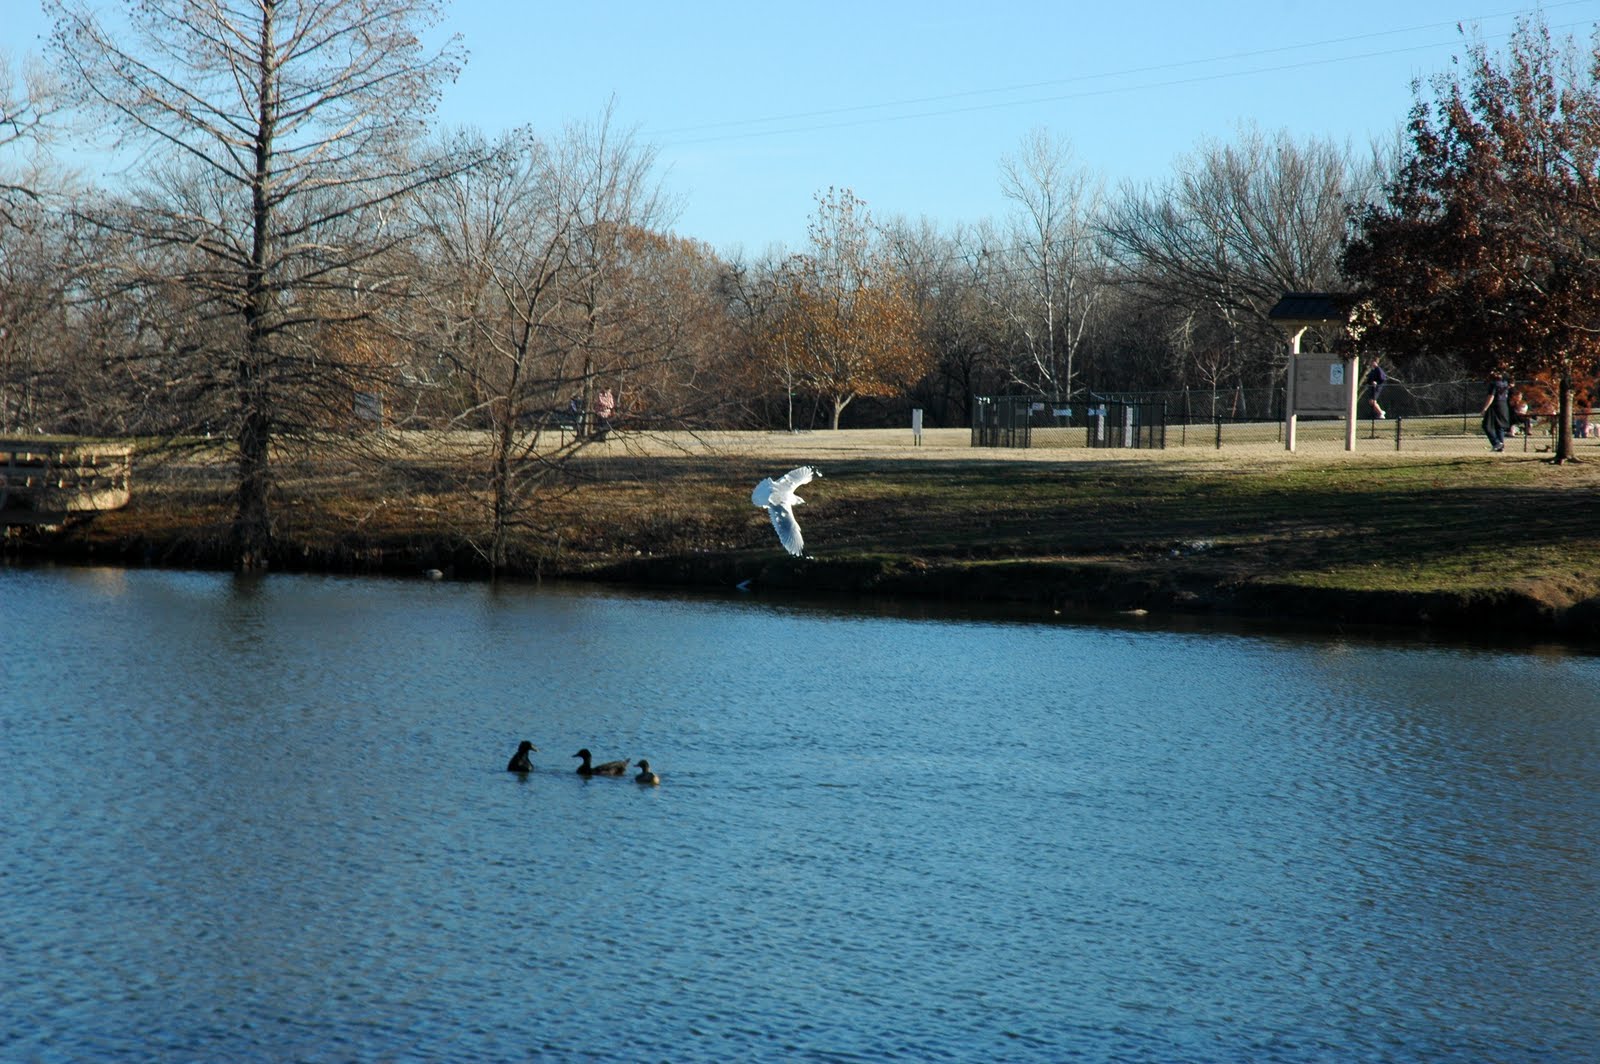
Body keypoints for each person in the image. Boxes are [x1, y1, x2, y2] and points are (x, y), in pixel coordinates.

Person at [1480, 370, 1512, 452]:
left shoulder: (1494, 384)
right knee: (1499, 426)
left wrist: (1485, 408)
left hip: (1495, 406)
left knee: (1486, 425)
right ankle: (1501, 447)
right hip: (1504, 405)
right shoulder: (1505, 383)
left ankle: (1496, 442)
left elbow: (1491, 396)